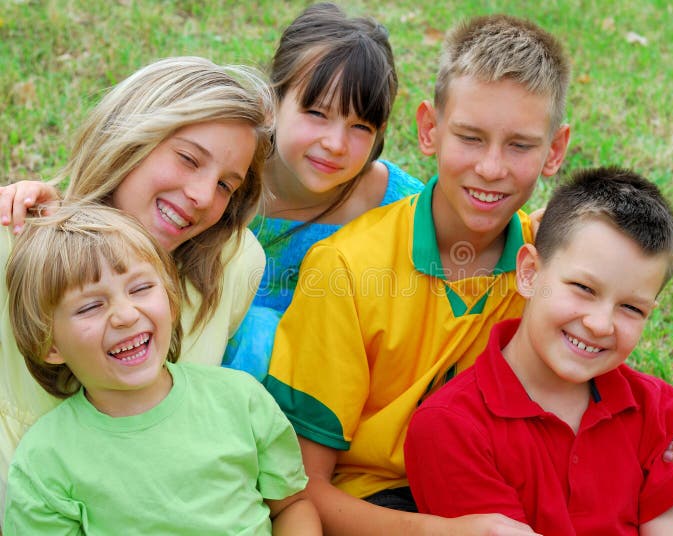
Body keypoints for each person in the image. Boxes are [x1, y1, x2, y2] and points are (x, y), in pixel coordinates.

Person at [264, 13, 673, 536]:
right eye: (470, 137)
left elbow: (608, 385)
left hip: (535, 484)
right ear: (430, 129)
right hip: (393, 506)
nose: (492, 168)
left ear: (555, 150)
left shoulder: (559, 264)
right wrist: (443, 531)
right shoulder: (346, 268)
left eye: (519, 145)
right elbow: (299, 489)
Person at [0, 56, 272, 511]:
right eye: (189, 159)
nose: (203, 196)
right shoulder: (16, 238)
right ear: (130, 138)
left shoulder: (232, 261)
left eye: (227, 185)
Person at [405, 166, 673, 535]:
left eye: (631, 308)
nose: (601, 324)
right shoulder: (450, 427)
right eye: (584, 288)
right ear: (529, 273)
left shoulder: (656, 407)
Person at [2, 204, 320, 534]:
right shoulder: (44, 459)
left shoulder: (241, 399)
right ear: (49, 344)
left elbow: (292, 506)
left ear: (170, 300)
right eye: (90, 306)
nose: (126, 315)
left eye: (140, 288)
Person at [221, 2, 424, 380]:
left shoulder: (402, 209)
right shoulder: (224, 176)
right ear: (273, 102)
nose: (335, 143)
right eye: (317, 113)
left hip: (328, 393)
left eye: (360, 126)